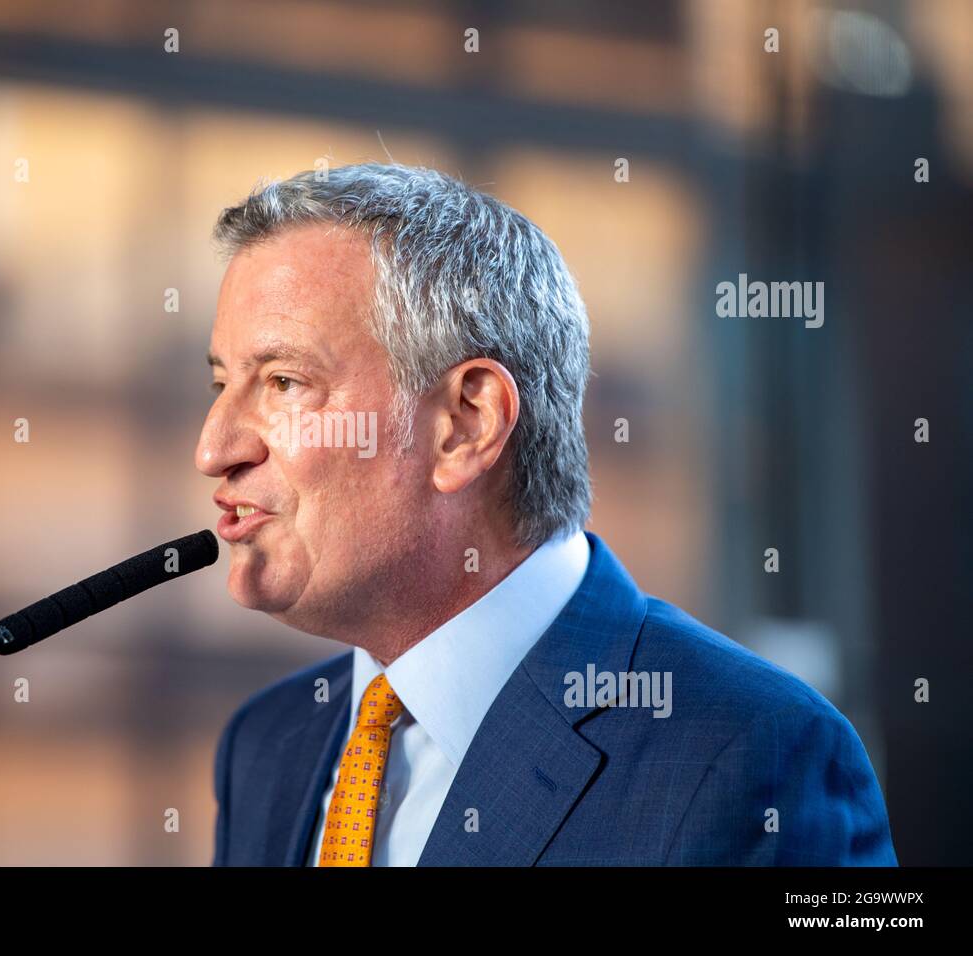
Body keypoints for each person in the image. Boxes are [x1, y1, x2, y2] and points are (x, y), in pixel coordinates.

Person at [195, 163, 896, 866]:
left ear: (466, 424)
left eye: (283, 382)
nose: (213, 449)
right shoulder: (266, 744)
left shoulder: (752, 754)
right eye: (222, 382)